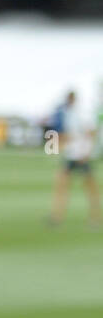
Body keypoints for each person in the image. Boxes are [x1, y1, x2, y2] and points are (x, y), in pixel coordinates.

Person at [48, 90, 101, 226]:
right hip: (71, 155)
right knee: (61, 184)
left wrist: (86, 153)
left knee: (90, 188)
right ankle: (57, 217)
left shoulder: (83, 114)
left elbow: (91, 134)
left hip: (82, 156)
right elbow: (68, 135)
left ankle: (96, 217)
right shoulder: (68, 114)